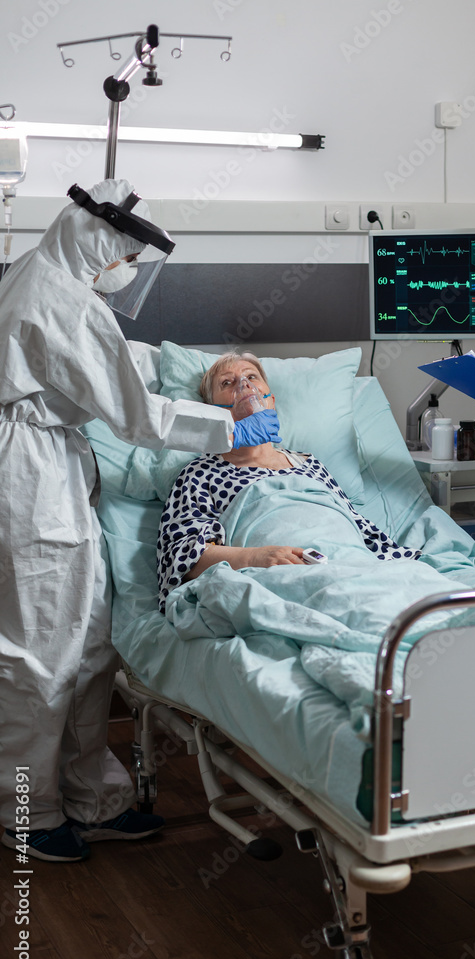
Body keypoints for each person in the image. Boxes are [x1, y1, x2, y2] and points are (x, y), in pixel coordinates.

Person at [0, 179, 280, 862]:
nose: (124, 271)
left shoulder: (42, 274)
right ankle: (27, 813)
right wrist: (230, 428)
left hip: (54, 470)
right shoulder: (60, 299)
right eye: (124, 254)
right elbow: (137, 416)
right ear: (99, 240)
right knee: (41, 654)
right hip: (30, 478)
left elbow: (108, 381)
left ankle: (93, 797)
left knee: (90, 645)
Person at [157, 351, 422, 609]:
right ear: (211, 412)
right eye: (227, 383)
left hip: (354, 564)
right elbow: (182, 554)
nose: (244, 385)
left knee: (416, 600)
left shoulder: (310, 463)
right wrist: (255, 557)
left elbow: (358, 528)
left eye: (252, 376)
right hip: (280, 573)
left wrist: (405, 565)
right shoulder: (201, 473)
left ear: (271, 399)